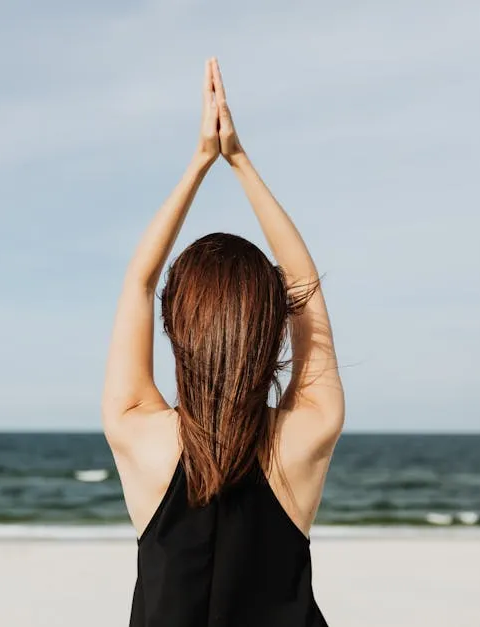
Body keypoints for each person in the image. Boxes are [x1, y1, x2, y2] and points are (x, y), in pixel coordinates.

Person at [102, 57, 344, 627]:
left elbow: (137, 283)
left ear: (174, 328)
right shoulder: (303, 436)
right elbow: (306, 286)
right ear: (273, 327)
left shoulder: (139, 435)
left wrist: (200, 163)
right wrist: (240, 162)